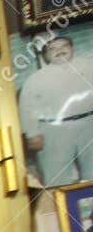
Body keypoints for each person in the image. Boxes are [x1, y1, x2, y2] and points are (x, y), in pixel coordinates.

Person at [19, 35, 93, 185]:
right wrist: (32, 133)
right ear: (46, 55)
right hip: (54, 130)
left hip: (89, 124)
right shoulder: (36, 78)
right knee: (57, 176)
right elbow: (27, 107)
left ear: (71, 48)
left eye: (64, 46)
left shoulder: (89, 65)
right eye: (52, 49)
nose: (59, 51)